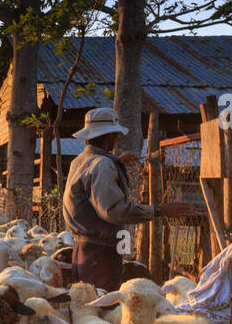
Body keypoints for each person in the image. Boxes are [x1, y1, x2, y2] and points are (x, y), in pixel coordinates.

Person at [62, 107, 192, 291]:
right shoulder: (103, 165)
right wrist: (160, 210)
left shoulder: (81, 160)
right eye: (116, 136)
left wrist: (117, 161)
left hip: (83, 248)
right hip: (100, 253)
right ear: (110, 137)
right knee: (102, 306)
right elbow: (114, 211)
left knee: (86, 305)